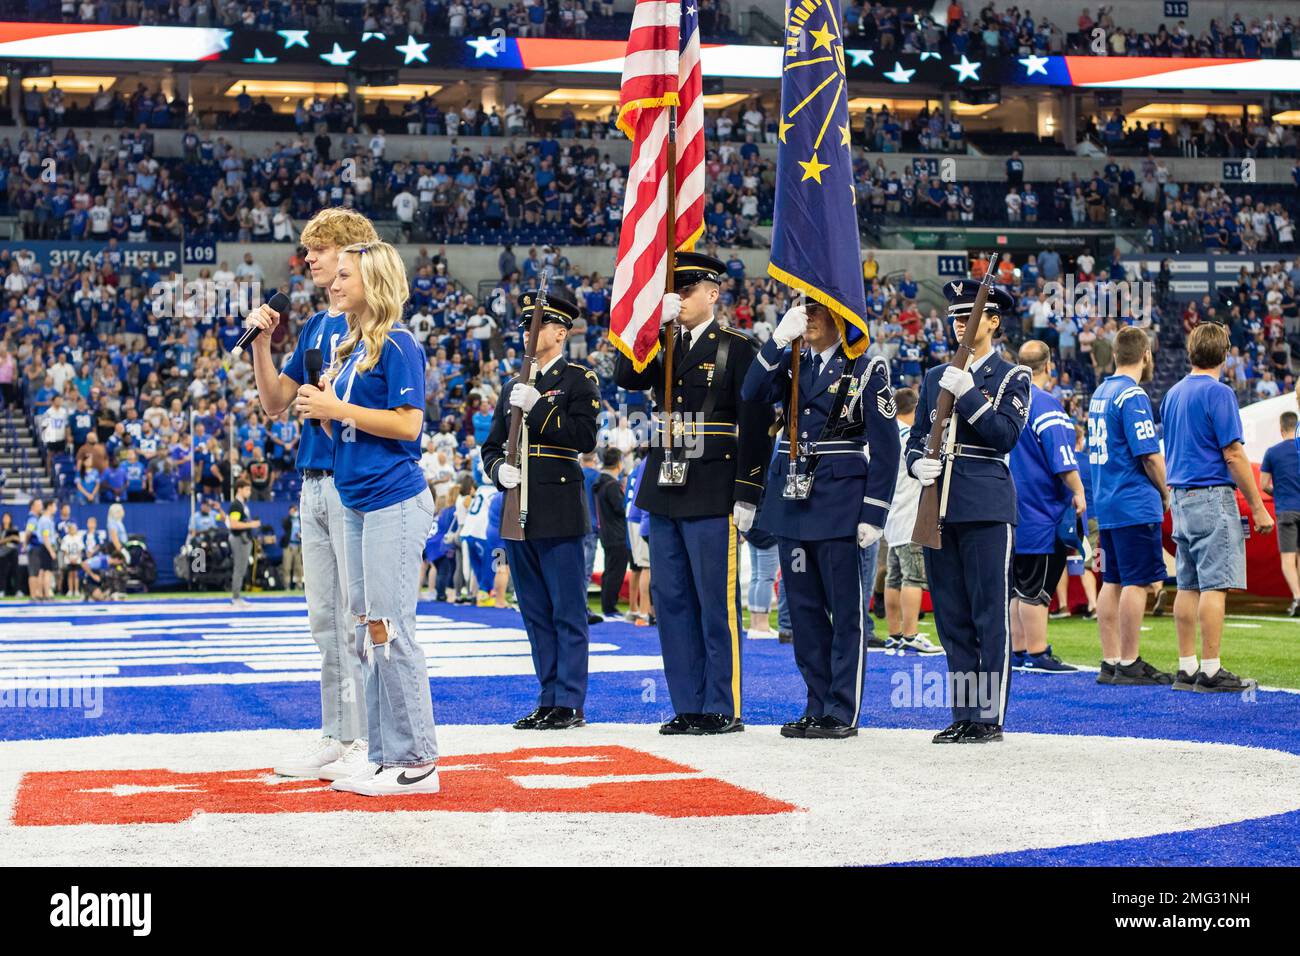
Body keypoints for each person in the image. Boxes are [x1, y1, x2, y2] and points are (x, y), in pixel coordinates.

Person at [293, 239, 441, 795]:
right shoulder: (356, 352)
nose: (334, 283)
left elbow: (408, 426)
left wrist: (337, 408)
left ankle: (417, 759)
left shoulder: (399, 343)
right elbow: (350, 432)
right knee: (369, 629)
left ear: (373, 281)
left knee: (391, 625)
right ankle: (384, 756)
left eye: (346, 276)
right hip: (359, 499)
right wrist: (326, 410)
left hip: (392, 500)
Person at [245, 206, 378, 782]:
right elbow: (276, 402)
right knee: (323, 619)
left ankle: (371, 737)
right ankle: (337, 731)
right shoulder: (319, 327)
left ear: (351, 254)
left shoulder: (373, 325)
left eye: (322, 250)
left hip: (353, 481)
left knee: (359, 615)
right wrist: (261, 343)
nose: (311, 259)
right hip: (313, 480)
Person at [614, 252, 773, 735]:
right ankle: (687, 704)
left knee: (714, 600)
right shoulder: (660, 343)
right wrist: (647, 331)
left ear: (713, 294)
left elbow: (756, 422)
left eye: (689, 291)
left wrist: (748, 491)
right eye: (675, 291)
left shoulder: (738, 347)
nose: (680, 299)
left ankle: (722, 706)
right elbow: (626, 377)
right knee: (673, 599)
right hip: (664, 483)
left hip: (712, 485)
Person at [741, 299, 899, 739]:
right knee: (804, 611)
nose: (807, 318)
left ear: (838, 316)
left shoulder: (866, 369)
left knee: (845, 610)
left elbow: (887, 448)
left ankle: (841, 709)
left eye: (816, 311)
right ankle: (816, 702)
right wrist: (776, 340)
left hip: (840, 500)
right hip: (794, 499)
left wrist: (874, 511)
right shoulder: (791, 363)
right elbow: (751, 392)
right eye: (802, 311)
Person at [906, 280, 1031, 744]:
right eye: (956, 317)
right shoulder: (937, 373)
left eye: (971, 316)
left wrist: (970, 396)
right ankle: (963, 713)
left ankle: (988, 716)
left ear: (993, 321)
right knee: (953, 618)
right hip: (939, 503)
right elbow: (919, 435)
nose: (961, 323)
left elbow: (1004, 436)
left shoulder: (1012, 375)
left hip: (985, 504)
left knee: (988, 615)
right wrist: (915, 461)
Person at [482, 284, 601, 730]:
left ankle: (570, 701)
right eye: (525, 326)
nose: (527, 334)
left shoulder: (577, 379)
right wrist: (497, 472)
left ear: (559, 331)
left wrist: (539, 411)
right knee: (534, 611)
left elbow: (583, 438)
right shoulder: (515, 385)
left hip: (558, 506)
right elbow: (491, 446)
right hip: (517, 508)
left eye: (537, 325)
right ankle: (549, 696)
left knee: (566, 610)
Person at [1161, 322, 1273, 693]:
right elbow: (1233, 454)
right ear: (1224, 355)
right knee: (1215, 584)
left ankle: (1186, 667)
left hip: (1180, 497)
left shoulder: (1172, 394)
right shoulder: (1219, 393)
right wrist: (1258, 506)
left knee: (1188, 584)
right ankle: (1210, 670)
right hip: (1210, 495)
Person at [1087, 327, 1174, 685]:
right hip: (1133, 501)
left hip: (1107, 501)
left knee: (1113, 580)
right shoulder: (1132, 395)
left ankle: (1111, 661)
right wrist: (1166, 491)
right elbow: (1149, 455)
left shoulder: (1100, 392)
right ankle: (1129, 661)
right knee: (1136, 582)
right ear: (1146, 355)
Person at [1007, 341, 1084, 674]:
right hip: (1041, 510)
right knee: (1036, 589)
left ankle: (1018, 649)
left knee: (1017, 587)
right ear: (1049, 366)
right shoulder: (1046, 403)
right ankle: (1038, 652)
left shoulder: (1008, 401)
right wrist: (1079, 491)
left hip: (1011, 508)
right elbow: (1062, 458)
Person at [881, 387, 940, 653]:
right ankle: (911, 633)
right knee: (913, 577)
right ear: (915, 409)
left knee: (893, 577)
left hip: (891, 515)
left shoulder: (886, 433)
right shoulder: (911, 437)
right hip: (910, 515)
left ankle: (894, 633)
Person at [1260, 410, 1300, 617]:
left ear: (1281, 428)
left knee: (1288, 558)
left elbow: (1264, 484)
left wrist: (1279, 492)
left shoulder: (1272, 452)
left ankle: (1297, 596)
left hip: (1286, 509)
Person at [594, 446, 629, 620]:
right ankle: (610, 605)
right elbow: (621, 508)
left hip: (607, 532)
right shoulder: (612, 485)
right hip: (616, 533)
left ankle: (607, 603)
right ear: (618, 463)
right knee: (615, 571)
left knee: (610, 570)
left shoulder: (601, 482)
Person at [226, 476, 259, 606]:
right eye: (247, 489)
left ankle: (237, 596)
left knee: (241, 568)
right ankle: (236, 597)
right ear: (239, 489)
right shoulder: (236, 505)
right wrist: (252, 525)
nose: (249, 491)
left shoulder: (241, 504)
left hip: (243, 538)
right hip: (239, 538)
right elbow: (233, 524)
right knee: (239, 569)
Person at [281, 504, 303, 590]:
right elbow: (284, 525)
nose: (294, 511)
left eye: (295, 510)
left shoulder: (300, 520)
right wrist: (290, 516)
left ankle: (299, 584)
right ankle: (286, 585)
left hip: (298, 546)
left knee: (298, 567)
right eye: (292, 510)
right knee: (287, 567)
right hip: (289, 546)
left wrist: (300, 535)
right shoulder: (287, 520)